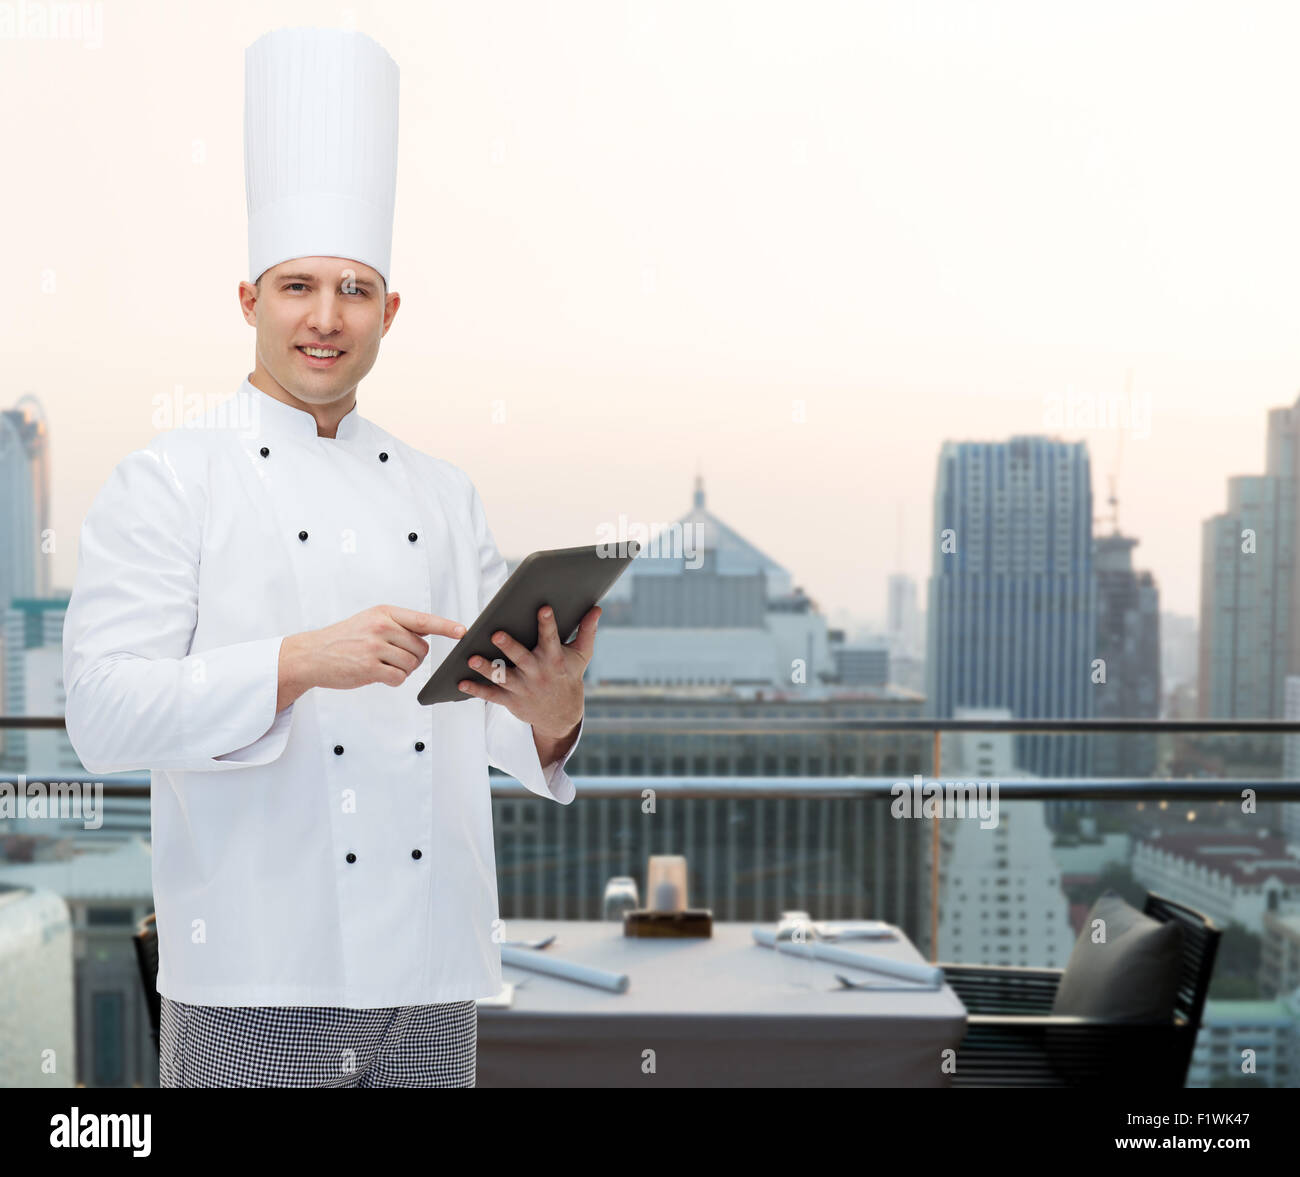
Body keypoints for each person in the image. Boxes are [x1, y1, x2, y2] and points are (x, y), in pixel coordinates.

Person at [61, 25, 597, 1088]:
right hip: (255, 970)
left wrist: (550, 714)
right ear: (249, 300)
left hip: (433, 967)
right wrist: (300, 660)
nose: (325, 317)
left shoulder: (443, 492)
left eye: (354, 290)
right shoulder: (169, 477)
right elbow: (101, 715)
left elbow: (481, 716)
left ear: (389, 311)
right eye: (298, 285)